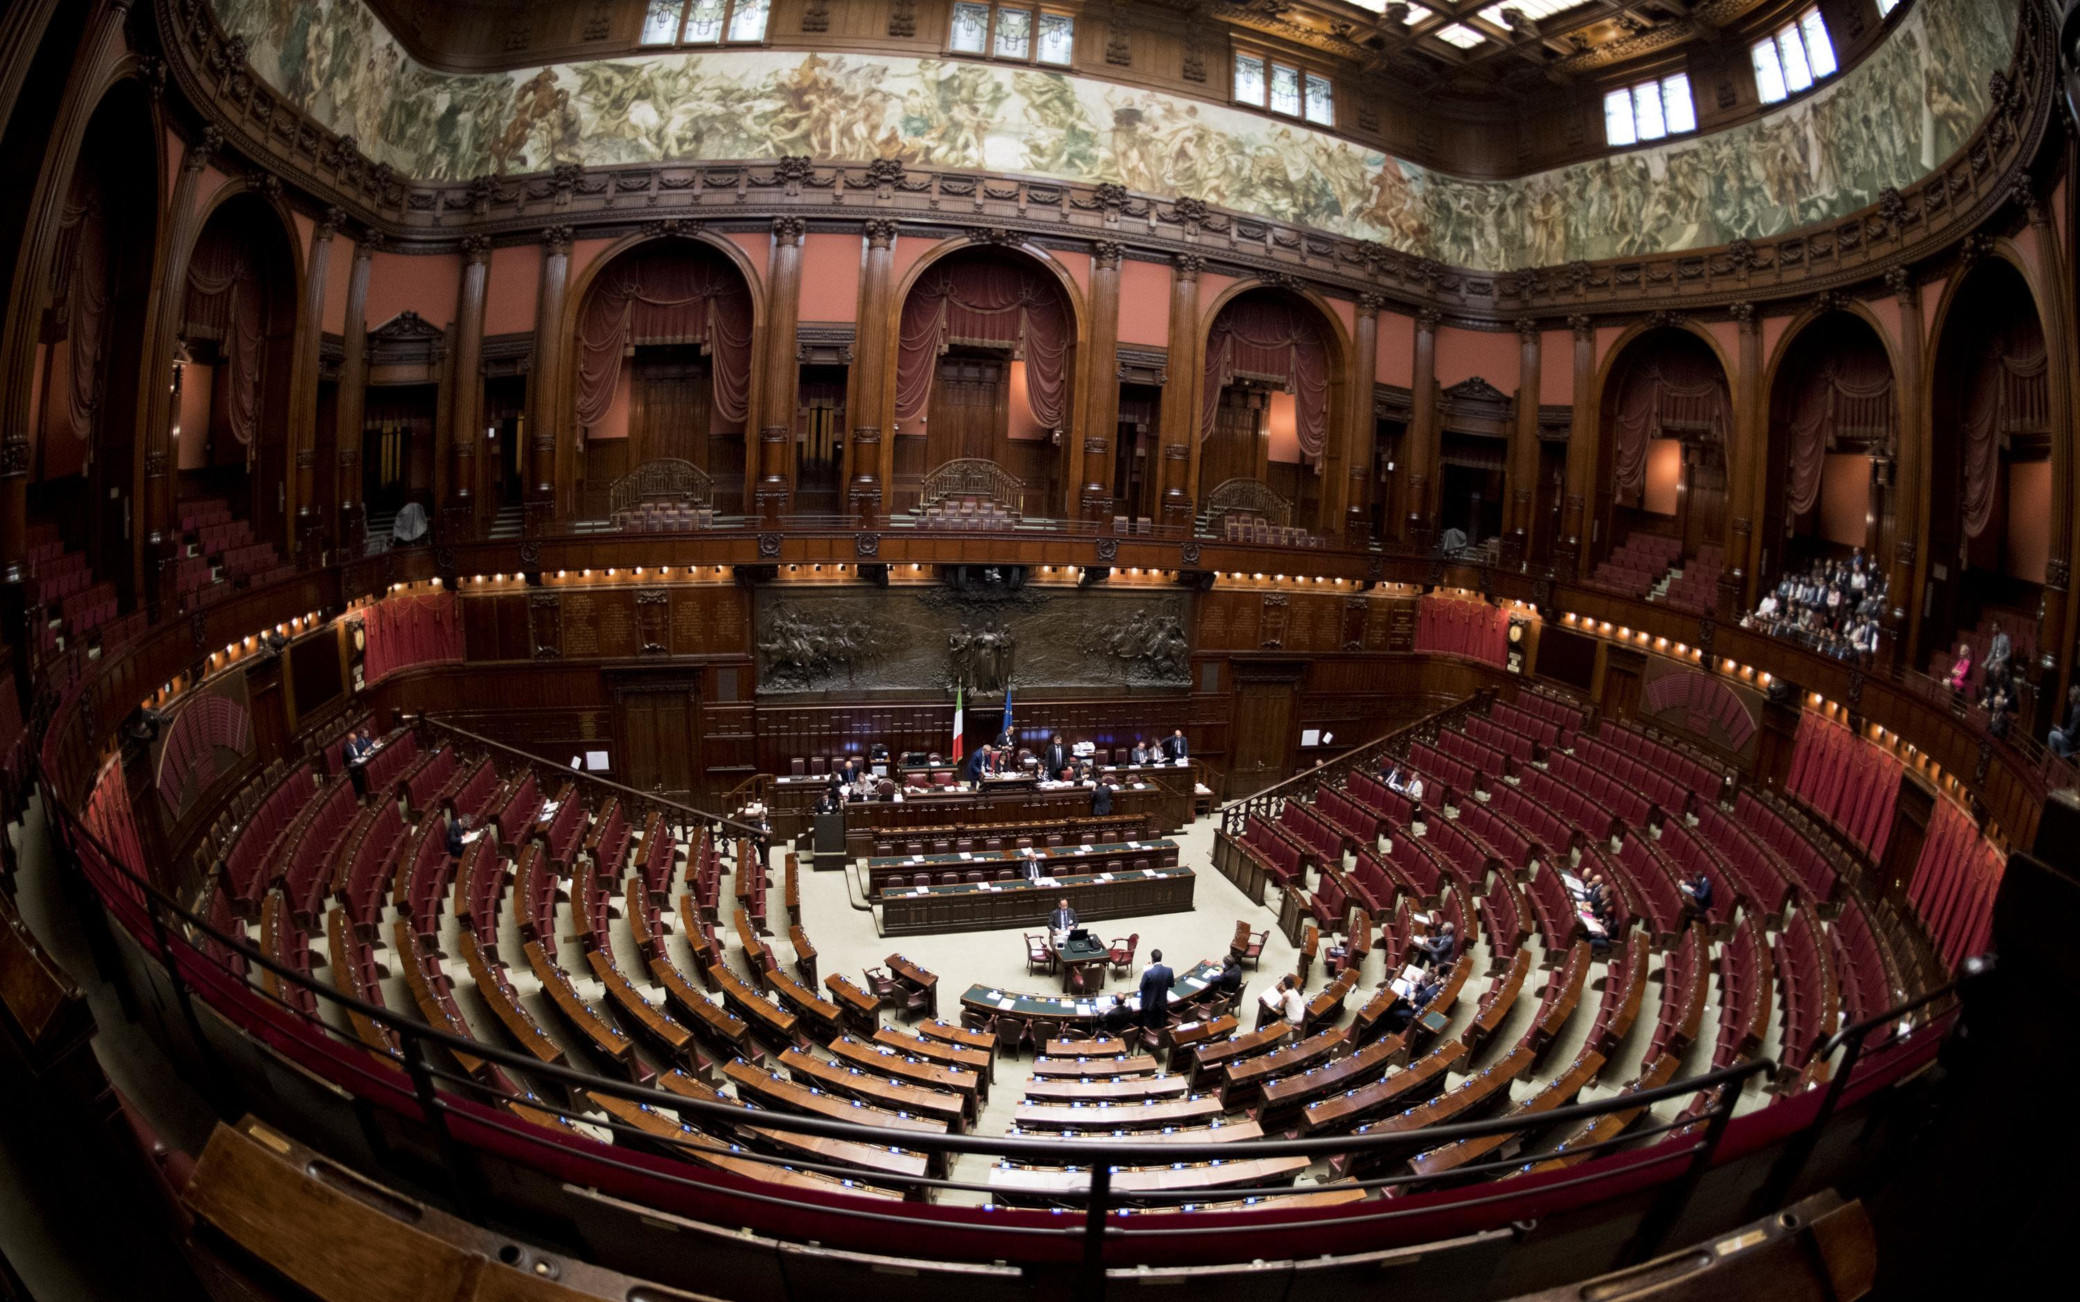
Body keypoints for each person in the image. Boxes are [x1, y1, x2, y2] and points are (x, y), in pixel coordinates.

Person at [1139, 949, 1174, 1030]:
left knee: (1150, 1025)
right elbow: (1171, 985)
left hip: (1150, 1005)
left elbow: (1142, 987)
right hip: (1162, 1003)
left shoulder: (1148, 973)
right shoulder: (1169, 970)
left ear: (1152, 959)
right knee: (1160, 1024)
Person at [2048, 686, 2080, 758]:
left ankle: (2054, 760)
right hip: (2075, 741)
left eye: (2070, 696)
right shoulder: (2077, 708)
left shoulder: (2077, 710)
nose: (2069, 699)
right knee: (2056, 731)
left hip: (2074, 743)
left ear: (2074, 698)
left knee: (2052, 734)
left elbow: (2072, 734)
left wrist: (2062, 731)